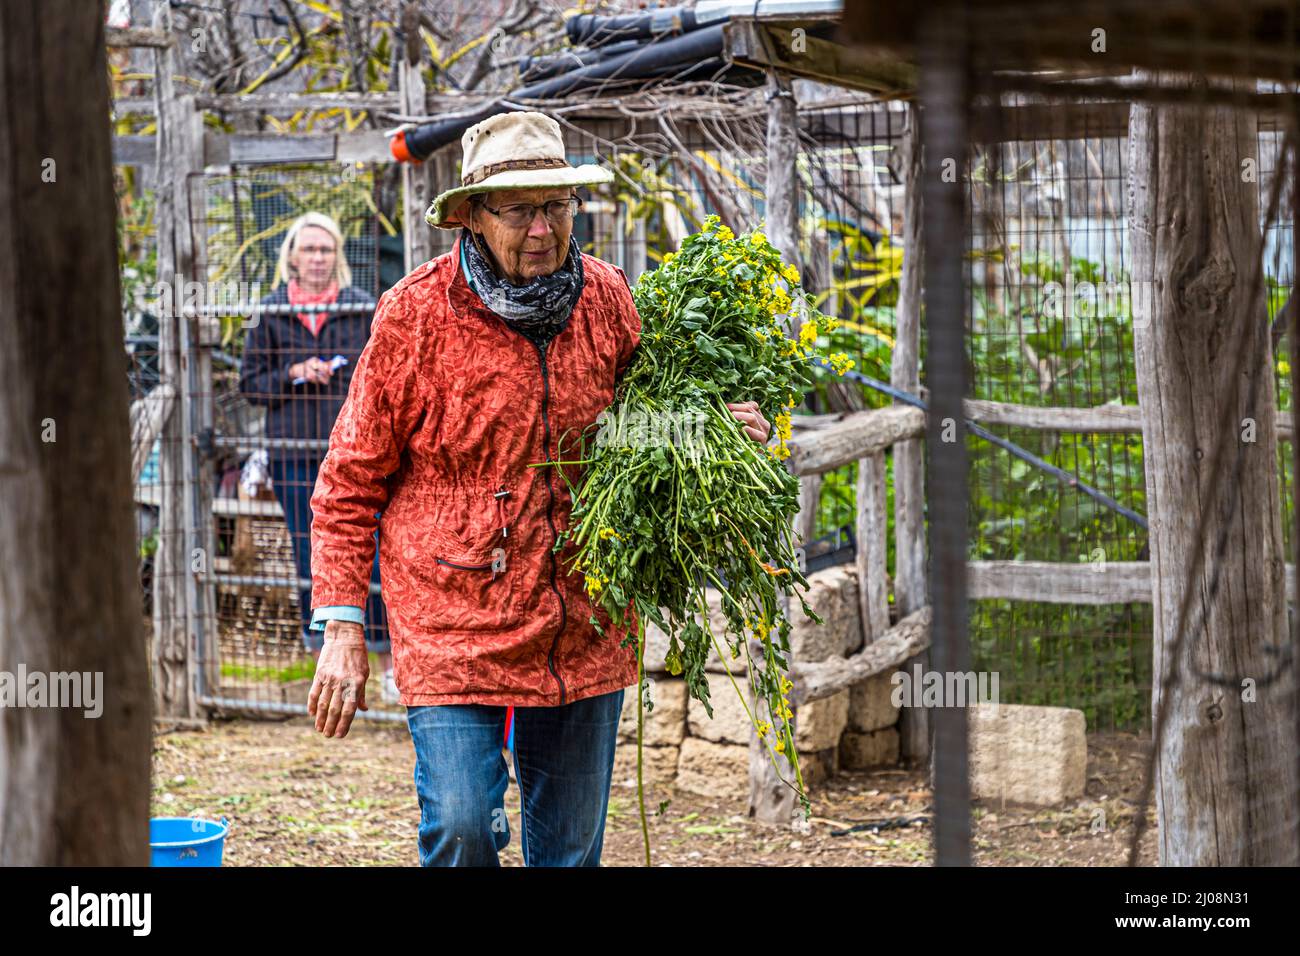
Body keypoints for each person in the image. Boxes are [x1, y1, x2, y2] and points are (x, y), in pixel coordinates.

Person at [305, 112, 770, 866]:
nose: (543, 228)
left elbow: (639, 422)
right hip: (454, 614)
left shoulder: (608, 301)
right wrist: (343, 628)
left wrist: (708, 430)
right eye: (519, 209)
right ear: (474, 217)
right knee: (461, 822)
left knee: (569, 850)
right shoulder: (417, 315)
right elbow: (350, 480)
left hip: (582, 611)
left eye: (556, 205)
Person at [238, 211, 396, 702]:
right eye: (309, 249)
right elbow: (250, 387)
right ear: (291, 257)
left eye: (326, 249)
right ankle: (324, 663)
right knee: (309, 553)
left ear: (338, 257)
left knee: (372, 552)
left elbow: (385, 377)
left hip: (357, 453)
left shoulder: (360, 308)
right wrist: (293, 373)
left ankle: (387, 660)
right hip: (292, 454)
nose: (317, 258)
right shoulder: (270, 311)